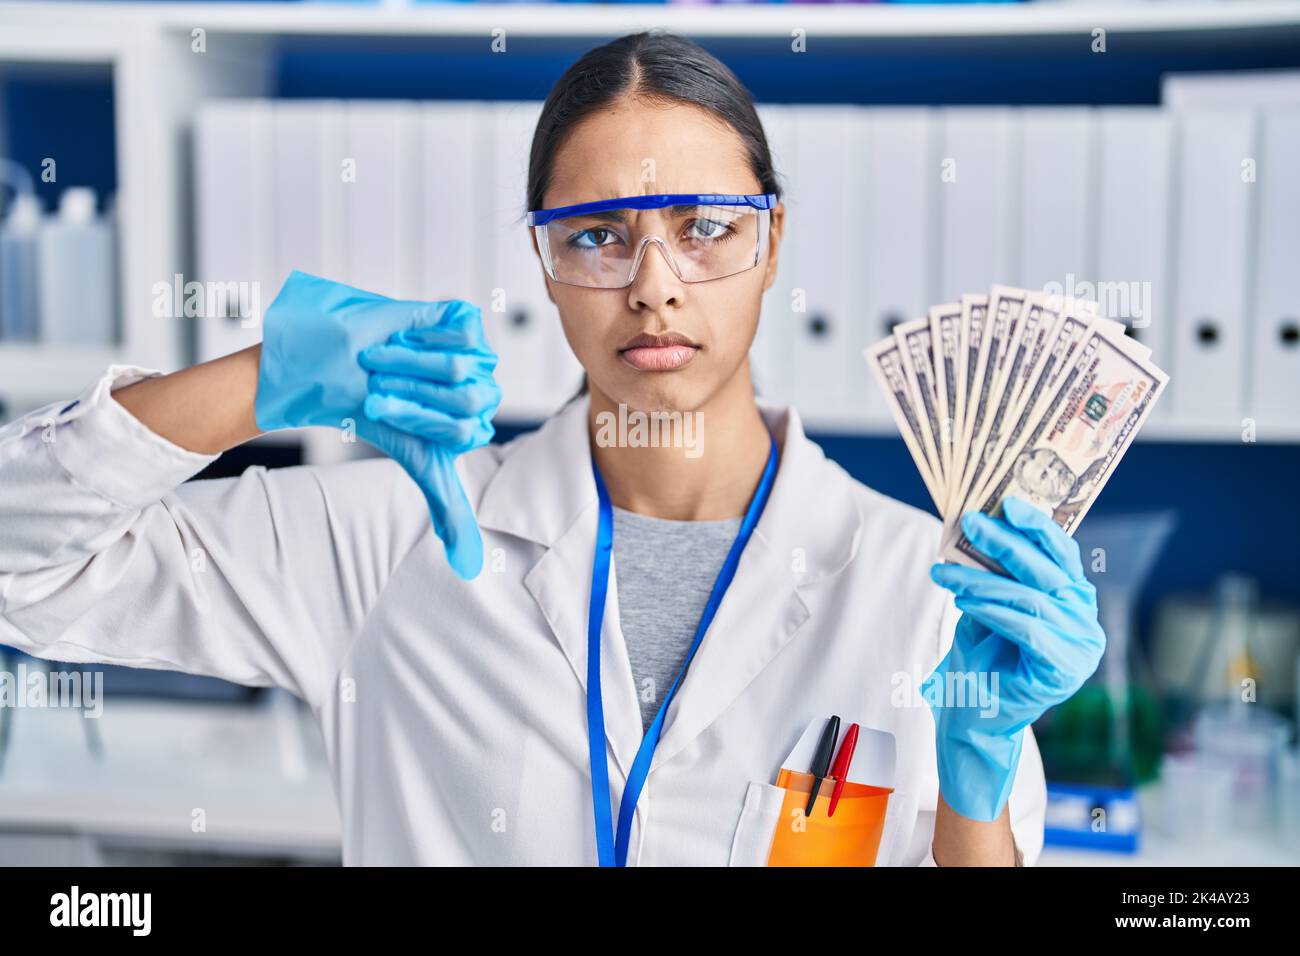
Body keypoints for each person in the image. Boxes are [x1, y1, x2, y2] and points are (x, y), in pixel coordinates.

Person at [0, 32, 1104, 866]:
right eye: (597, 237)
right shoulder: (389, 536)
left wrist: (975, 776)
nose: (653, 282)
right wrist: (261, 381)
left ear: (774, 242)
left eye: (705, 227)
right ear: (543, 263)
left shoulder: (921, 586)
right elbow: (22, 564)